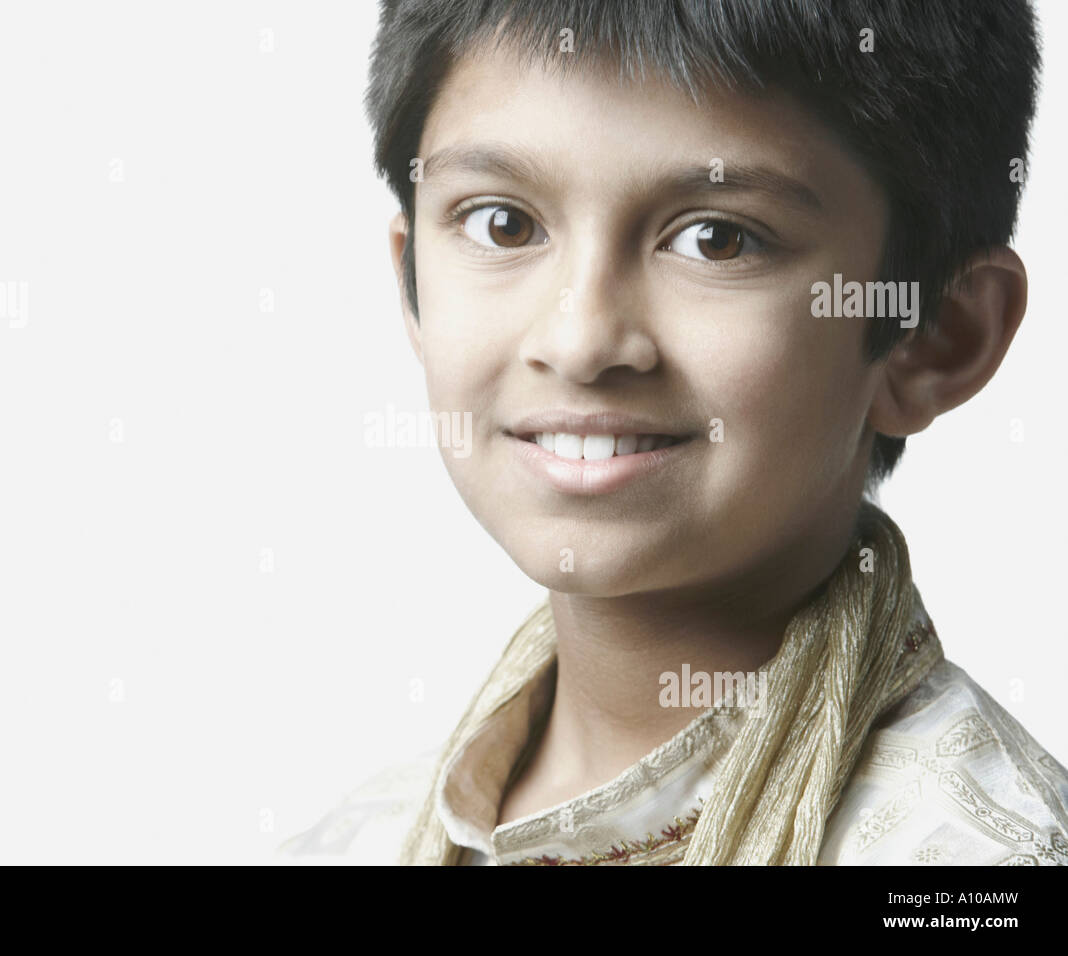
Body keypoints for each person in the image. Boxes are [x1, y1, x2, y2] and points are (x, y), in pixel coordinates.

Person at [274, 0, 1067, 865]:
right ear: (413, 281)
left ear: (936, 337)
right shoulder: (354, 843)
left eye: (717, 239)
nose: (579, 341)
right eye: (503, 223)